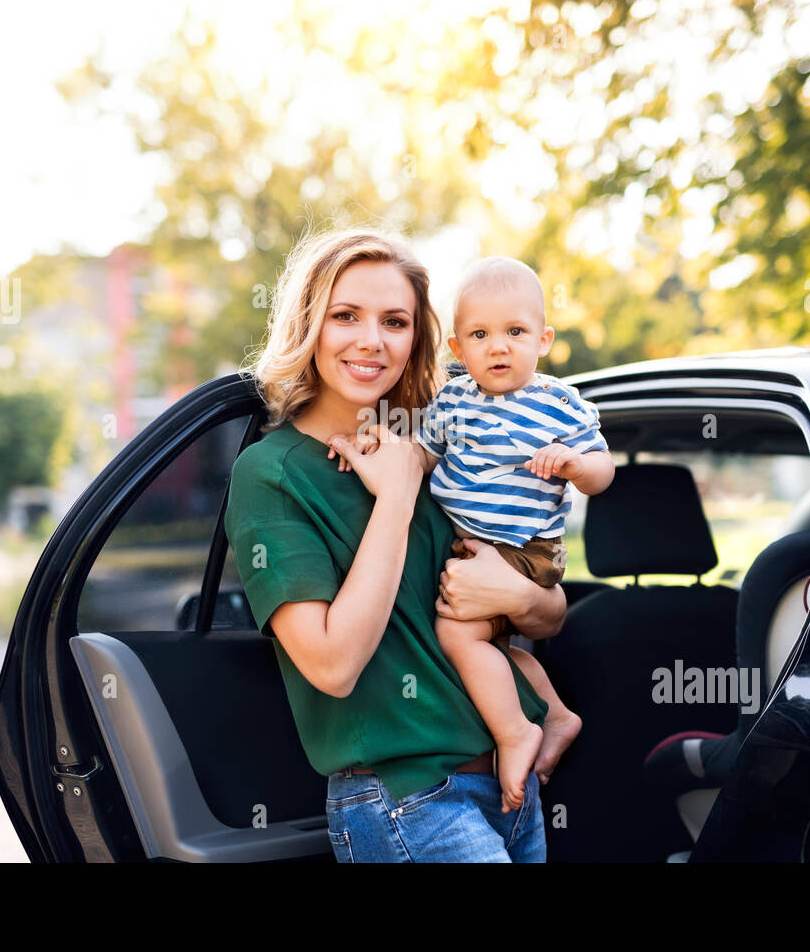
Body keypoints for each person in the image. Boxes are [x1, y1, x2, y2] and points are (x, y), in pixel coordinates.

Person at [222, 228, 568, 862]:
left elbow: (547, 612)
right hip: (408, 802)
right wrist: (398, 495)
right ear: (309, 325)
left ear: (417, 340)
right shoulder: (272, 475)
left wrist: (516, 591)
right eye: (345, 316)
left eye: (396, 321)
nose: (371, 341)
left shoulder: (439, 447)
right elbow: (332, 663)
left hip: (511, 787)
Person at [410, 256, 614, 813]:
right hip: (470, 543)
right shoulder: (452, 402)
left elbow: (603, 472)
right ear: (457, 348)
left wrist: (573, 463)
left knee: (458, 638)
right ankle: (555, 714)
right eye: (480, 334)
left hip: (525, 550)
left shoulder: (558, 404)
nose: (498, 347)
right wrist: (372, 448)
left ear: (543, 339)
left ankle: (515, 735)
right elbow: (420, 457)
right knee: (487, 648)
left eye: (515, 332)